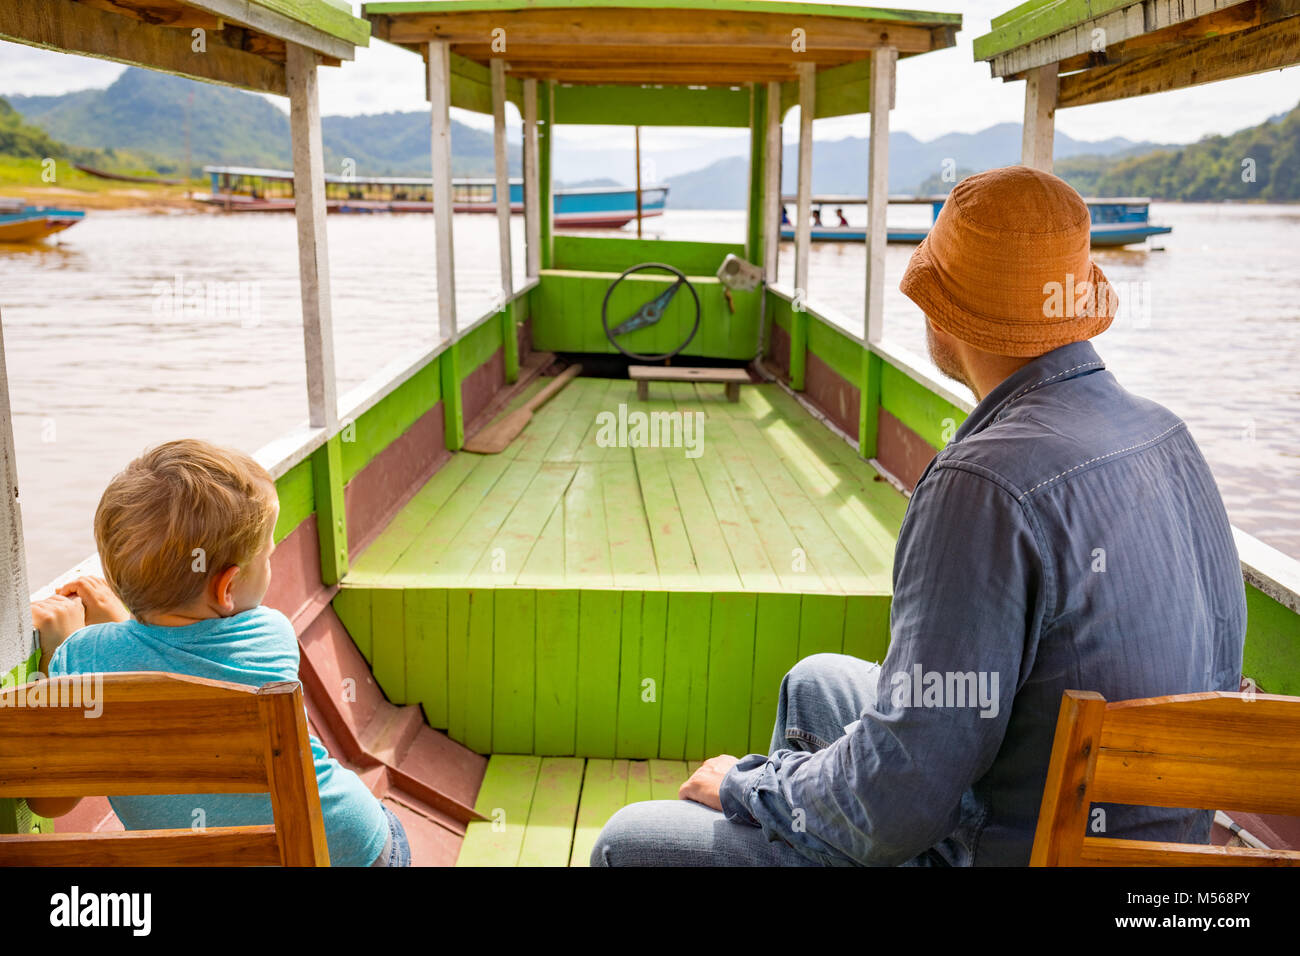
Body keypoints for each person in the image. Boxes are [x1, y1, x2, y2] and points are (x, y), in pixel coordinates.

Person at [590, 165, 1247, 866]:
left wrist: (752, 786)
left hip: (1022, 850)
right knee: (815, 681)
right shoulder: (1167, 434)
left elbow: (894, 807)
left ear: (943, 313)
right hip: (1152, 855)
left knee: (630, 842)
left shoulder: (982, 484)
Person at [28, 439, 410, 867]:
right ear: (226, 589)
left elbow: (50, 803)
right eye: (267, 556)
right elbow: (179, 660)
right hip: (350, 851)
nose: (270, 564)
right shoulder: (272, 635)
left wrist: (60, 656)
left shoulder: (82, 662)